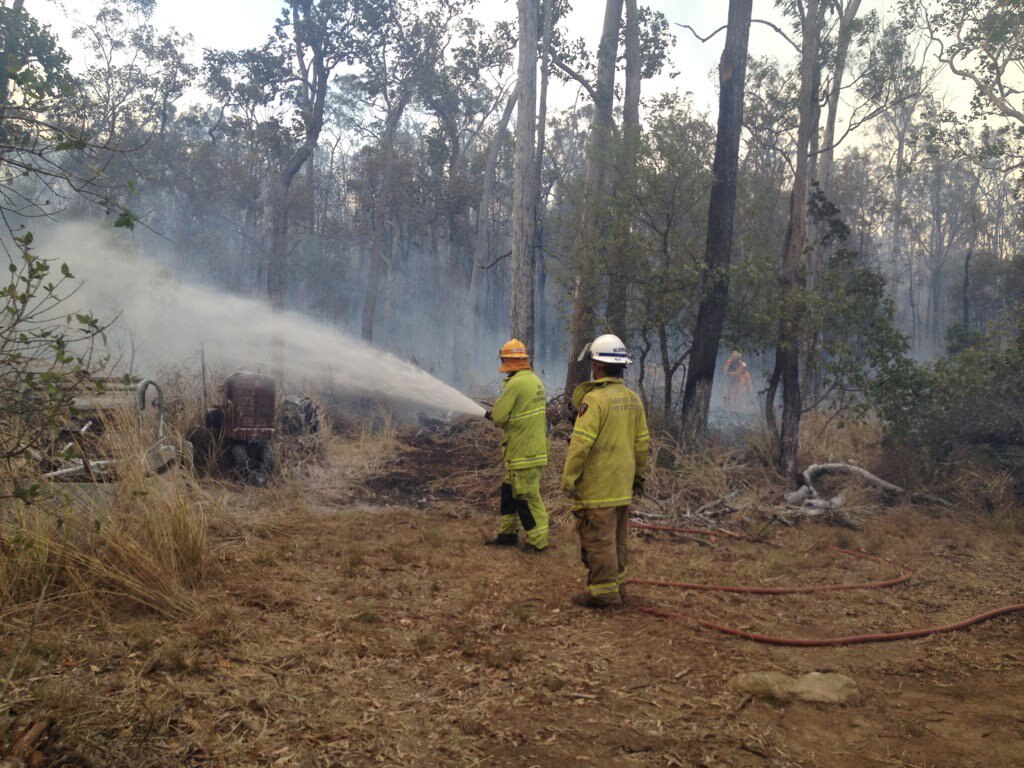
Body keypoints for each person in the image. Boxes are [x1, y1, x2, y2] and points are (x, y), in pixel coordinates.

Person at [562, 333, 649, 608]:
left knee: (599, 541)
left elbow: (580, 446)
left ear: (597, 367)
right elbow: (642, 445)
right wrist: (638, 477)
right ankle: (618, 587)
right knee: (618, 541)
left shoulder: (596, 400)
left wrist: (569, 479)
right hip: (622, 486)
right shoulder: (634, 400)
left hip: (598, 487)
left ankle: (603, 594)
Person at [483, 338, 550, 553]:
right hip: (527, 450)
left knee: (527, 496)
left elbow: (500, 416)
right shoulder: (534, 380)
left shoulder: (516, 383)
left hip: (524, 452)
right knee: (510, 491)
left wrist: (492, 415)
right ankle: (508, 534)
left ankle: (538, 542)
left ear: (508, 361)